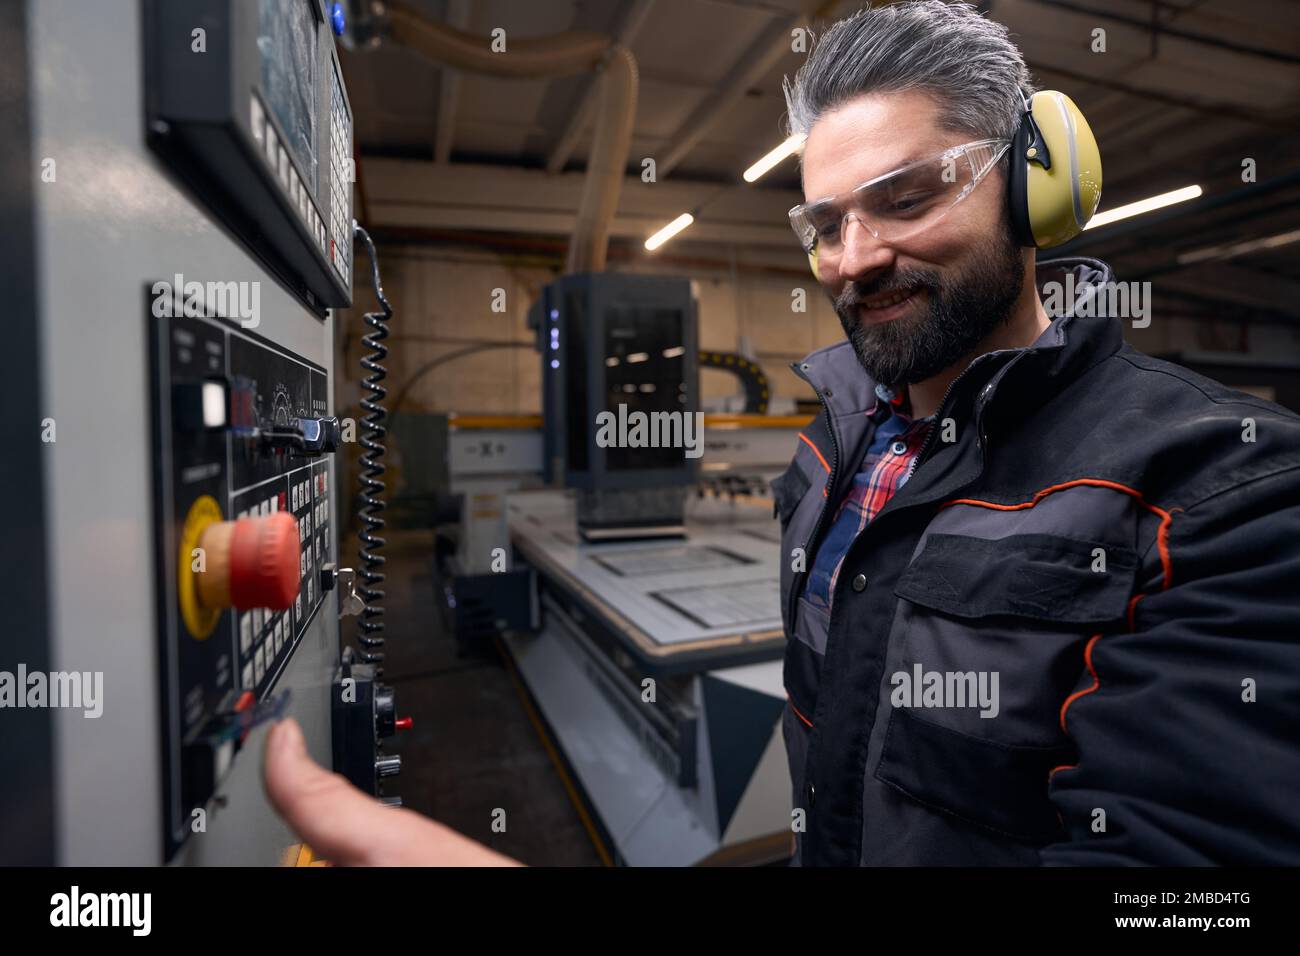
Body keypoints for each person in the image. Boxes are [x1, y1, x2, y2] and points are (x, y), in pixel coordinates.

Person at [266, 1, 1300, 866]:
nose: (853, 259)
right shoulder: (832, 451)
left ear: (1037, 187)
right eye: (824, 224)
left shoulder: (1219, 488)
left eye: (904, 197)